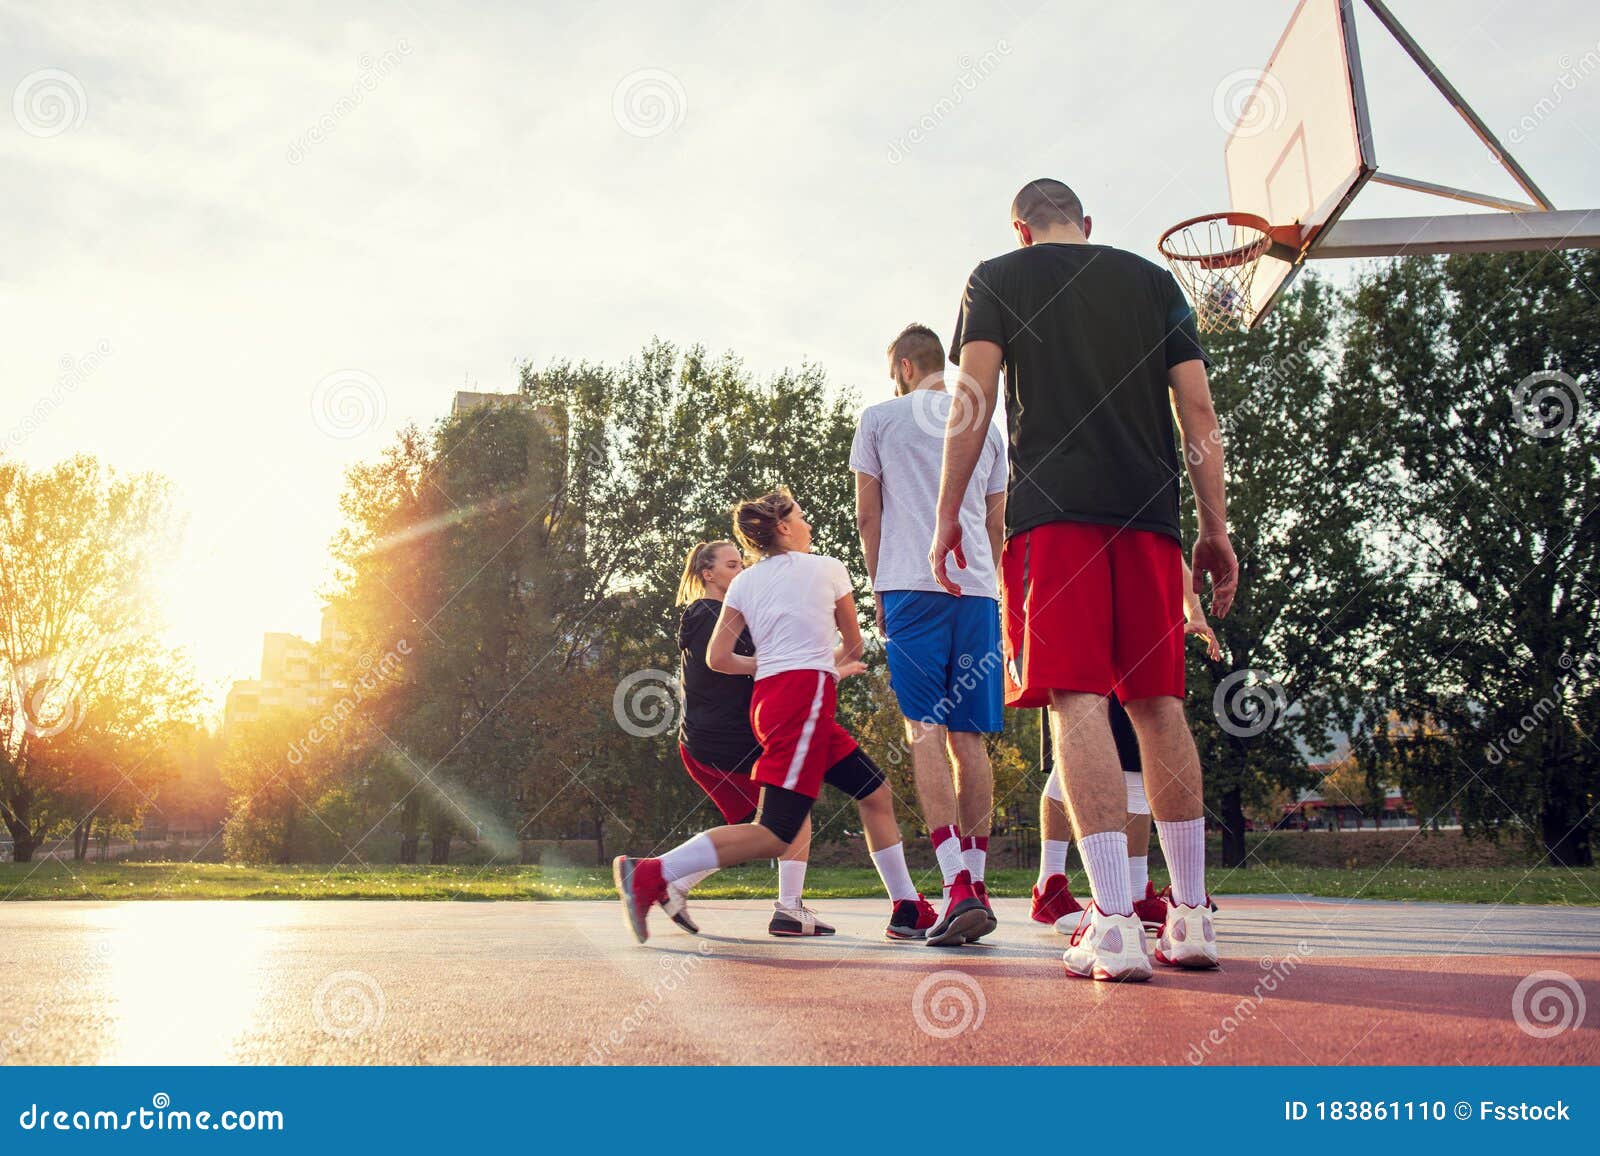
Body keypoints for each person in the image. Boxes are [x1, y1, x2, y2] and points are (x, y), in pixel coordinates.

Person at [932, 178, 1239, 982]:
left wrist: (947, 515)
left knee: (1076, 698)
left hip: (1056, 516)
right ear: (1086, 224)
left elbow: (973, 400)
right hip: (1149, 515)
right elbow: (1199, 414)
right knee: (1160, 705)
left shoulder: (998, 276)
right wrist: (1214, 528)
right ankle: (1193, 917)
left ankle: (1110, 923)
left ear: (1021, 229)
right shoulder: (1151, 279)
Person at [616, 489, 936, 944]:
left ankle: (906, 908)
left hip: (776, 702)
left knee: (874, 790)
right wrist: (816, 665)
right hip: (801, 701)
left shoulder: (746, 583)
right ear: (784, 527)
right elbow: (856, 644)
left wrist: (775, 665)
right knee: (775, 832)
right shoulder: (827, 568)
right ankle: (650, 872)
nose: (808, 524)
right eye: (802, 516)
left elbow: (720, 658)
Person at [853, 323, 1008, 947]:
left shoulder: (880, 418)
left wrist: (878, 587)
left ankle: (955, 886)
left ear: (902, 365)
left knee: (925, 730)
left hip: (911, 585)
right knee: (970, 740)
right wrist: (983, 578)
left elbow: (870, 513)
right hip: (975, 592)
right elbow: (998, 519)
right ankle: (976, 878)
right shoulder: (986, 425)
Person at [1031, 565, 1224, 933]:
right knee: (1077, 753)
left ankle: (1112, 889)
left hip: (1130, 617)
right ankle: (1061, 883)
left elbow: (1169, 545)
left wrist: (1194, 613)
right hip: (1077, 607)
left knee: (1120, 758)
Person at [670, 539, 825, 936]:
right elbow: (726, 664)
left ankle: (673, 882)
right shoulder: (708, 612)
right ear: (709, 574)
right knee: (791, 811)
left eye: (742, 563)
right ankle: (789, 910)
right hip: (719, 742)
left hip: (717, 741)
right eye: (732, 565)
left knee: (753, 832)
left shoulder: (722, 614)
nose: (741, 571)